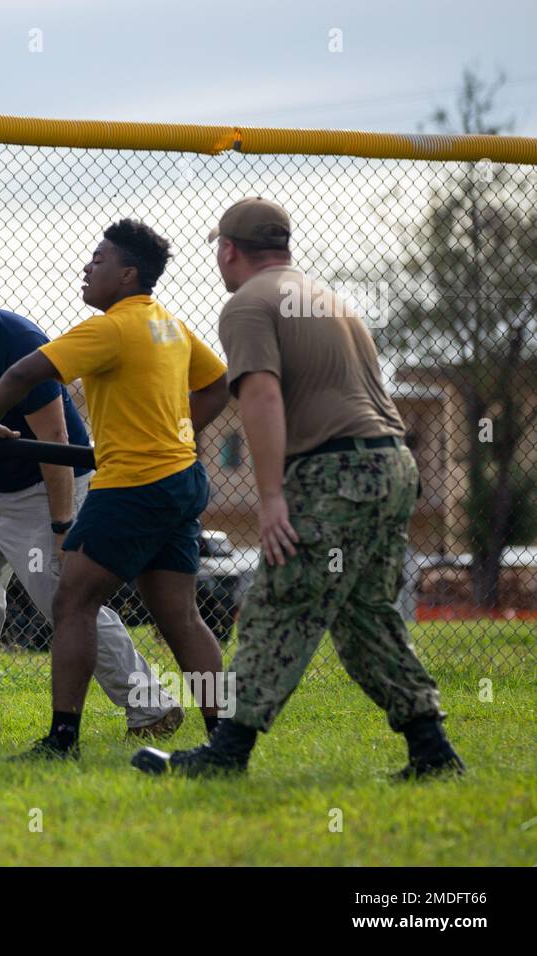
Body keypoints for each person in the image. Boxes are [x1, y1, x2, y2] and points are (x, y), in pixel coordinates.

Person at [134, 198, 464, 779]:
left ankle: (226, 754)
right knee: (366, 617)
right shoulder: (331, 301)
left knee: (276, 606)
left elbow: (259, 395)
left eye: (219, 249)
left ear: (229, 250)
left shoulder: (247, 304)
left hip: (334, 473)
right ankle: (432, 752)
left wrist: (270, 499)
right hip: (391, 467)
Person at [0, 244, 181, 748]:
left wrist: (61, 526)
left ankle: (151, 704)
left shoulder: (16, 341)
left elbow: (56, 443)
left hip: (48, 486)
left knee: (64, 598)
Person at [0, 220, 230, 761]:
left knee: (72, 601)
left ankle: (62, 740)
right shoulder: (170, 326)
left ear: (128, 274)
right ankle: (227, 737)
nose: (88, 268)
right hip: (182, 481)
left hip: (132, 486)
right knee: (180, 616)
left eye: (99, 259)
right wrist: (179, 432)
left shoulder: (110, 327)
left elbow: (23, 373)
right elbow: (217, 384)